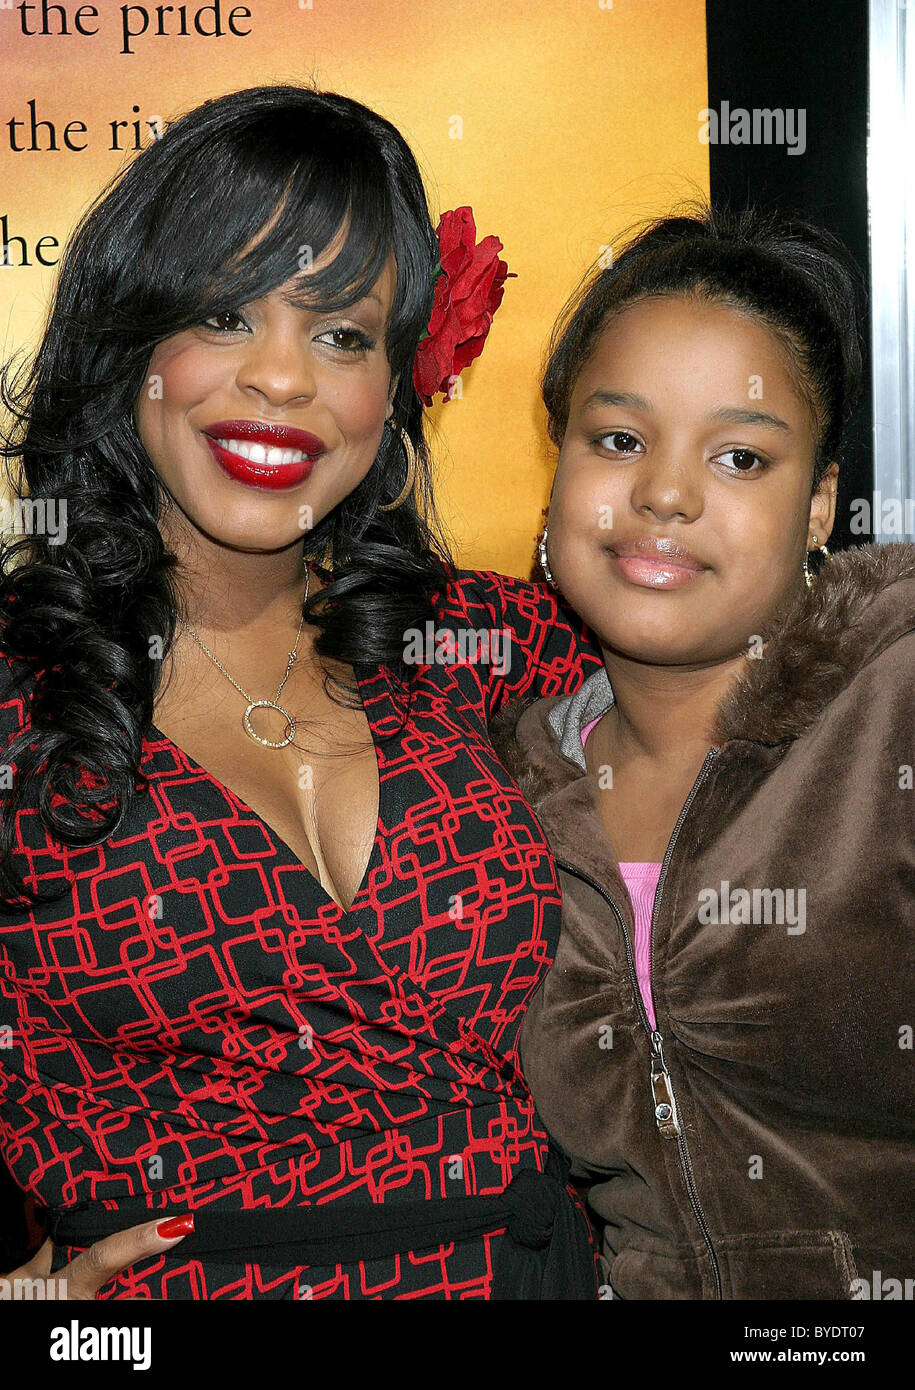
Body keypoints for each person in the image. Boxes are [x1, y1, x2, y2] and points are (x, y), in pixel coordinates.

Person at [0, 84, 604, 1300]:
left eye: (341, 334)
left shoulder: (488, 644)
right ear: (133, 345)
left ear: (393, 391)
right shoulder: (20, 694)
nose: (281, 378)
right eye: (225, 314)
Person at [490, 205, 915, 1299]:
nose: (666, 495)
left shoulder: (892, 698)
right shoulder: (499, 782)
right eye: (619, 439)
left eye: (739, 456)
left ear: (819, 503)